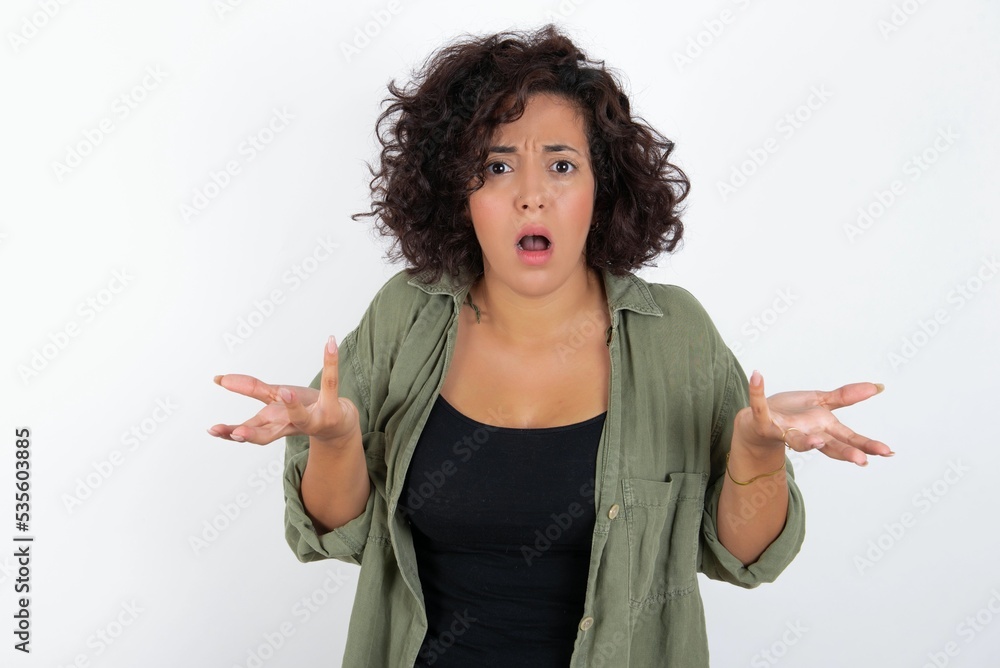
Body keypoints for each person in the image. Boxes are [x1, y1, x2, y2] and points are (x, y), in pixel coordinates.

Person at [208, 24, 892, 667]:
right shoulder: (405, 317)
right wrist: (333, 442)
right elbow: (334, 532)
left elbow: (746, 558)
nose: (531, 195)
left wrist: (758, 452)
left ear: (603, 189)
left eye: (561, 166)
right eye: (497, 168)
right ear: (458, 192)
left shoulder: (674, 333)